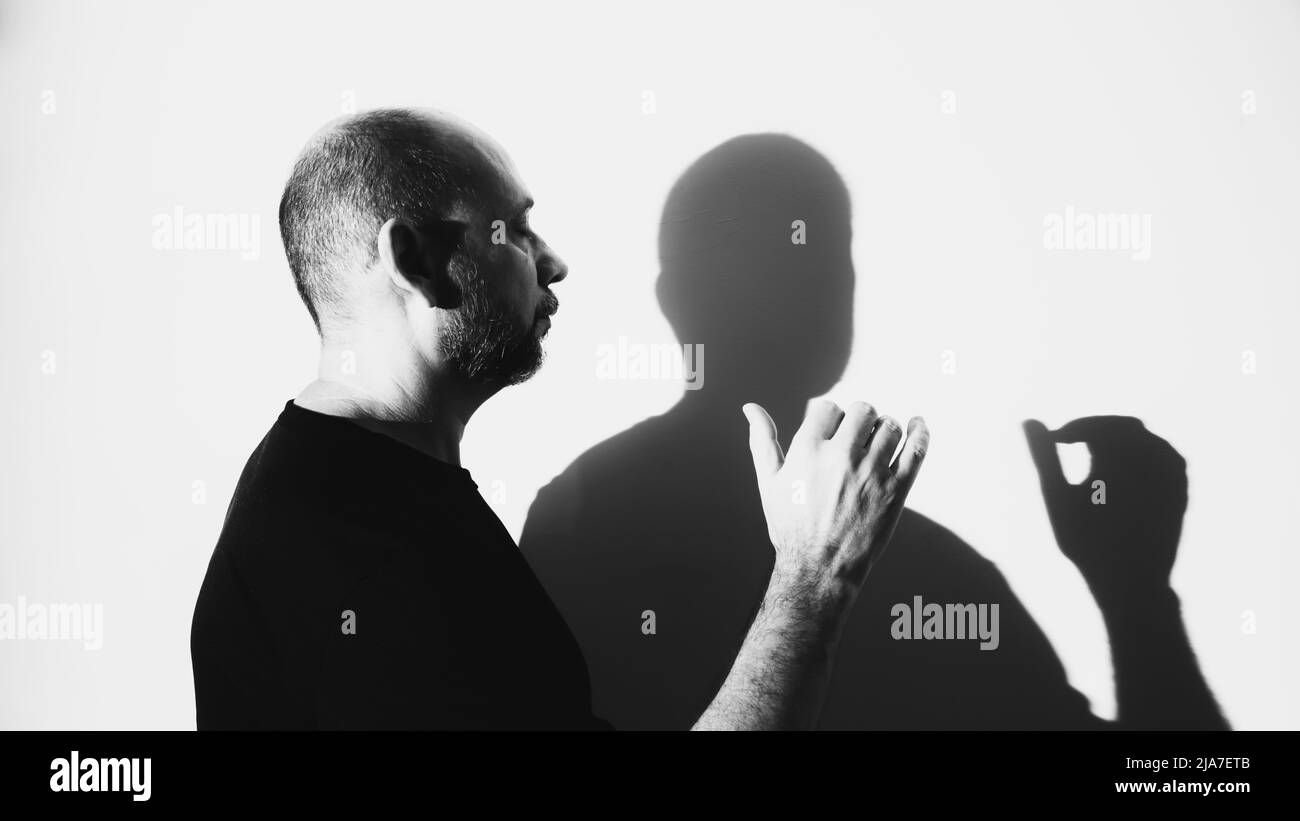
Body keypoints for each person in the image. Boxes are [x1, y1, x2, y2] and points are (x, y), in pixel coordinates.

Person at [189, 108, 929, 730]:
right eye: (512, 229)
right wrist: (813, 580)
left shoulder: (372, 494)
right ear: (412, 259)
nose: (554, 262)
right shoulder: (349, 554)